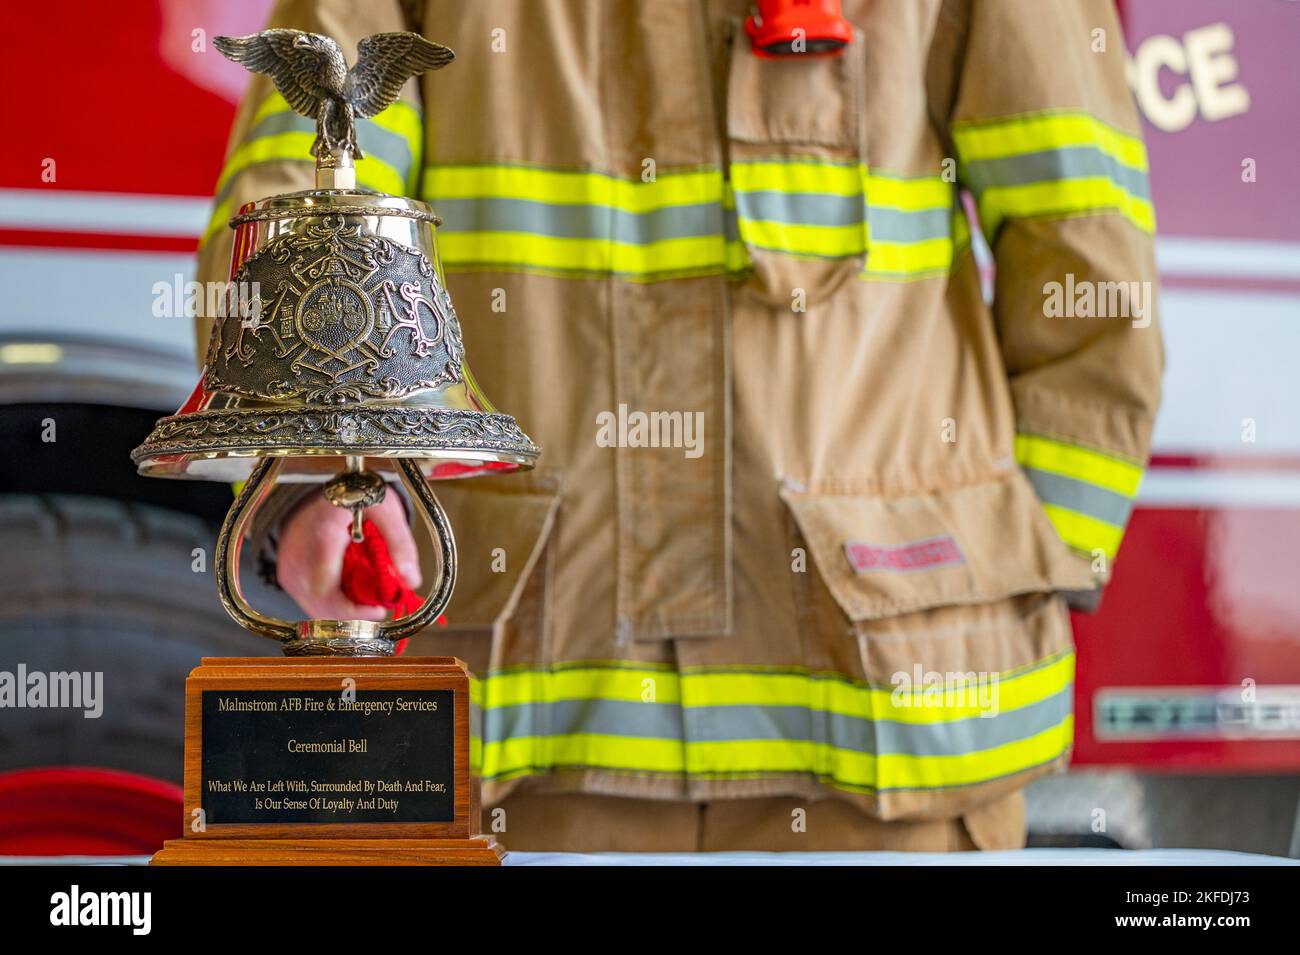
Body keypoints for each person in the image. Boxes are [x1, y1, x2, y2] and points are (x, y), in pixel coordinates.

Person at [195, 0, 1163, 852]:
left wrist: (1028, 561)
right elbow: (310, 192)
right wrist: (336, 470)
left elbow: (1084, 276)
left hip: (875, 735)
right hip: (535, 740)